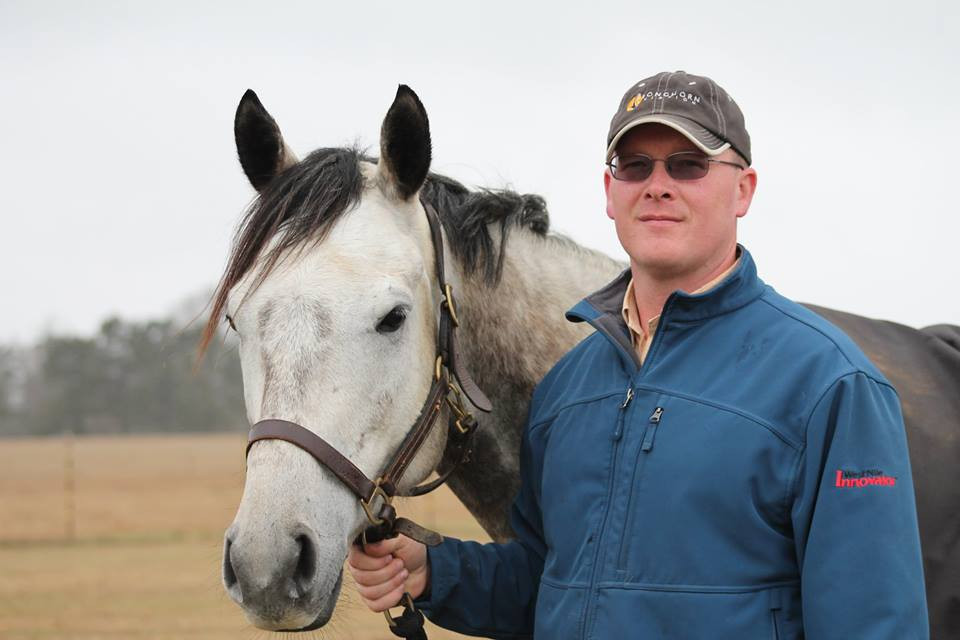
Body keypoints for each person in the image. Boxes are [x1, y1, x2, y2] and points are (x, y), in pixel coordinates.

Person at [348, 71, 929, 639]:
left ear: (744, 189)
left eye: (688, 165)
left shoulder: (831, 384)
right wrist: (436, 573)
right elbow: (551, 583)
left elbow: (871, 619)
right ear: (610, 192)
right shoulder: (567, 389)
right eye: (634, 166)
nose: (657, 185)